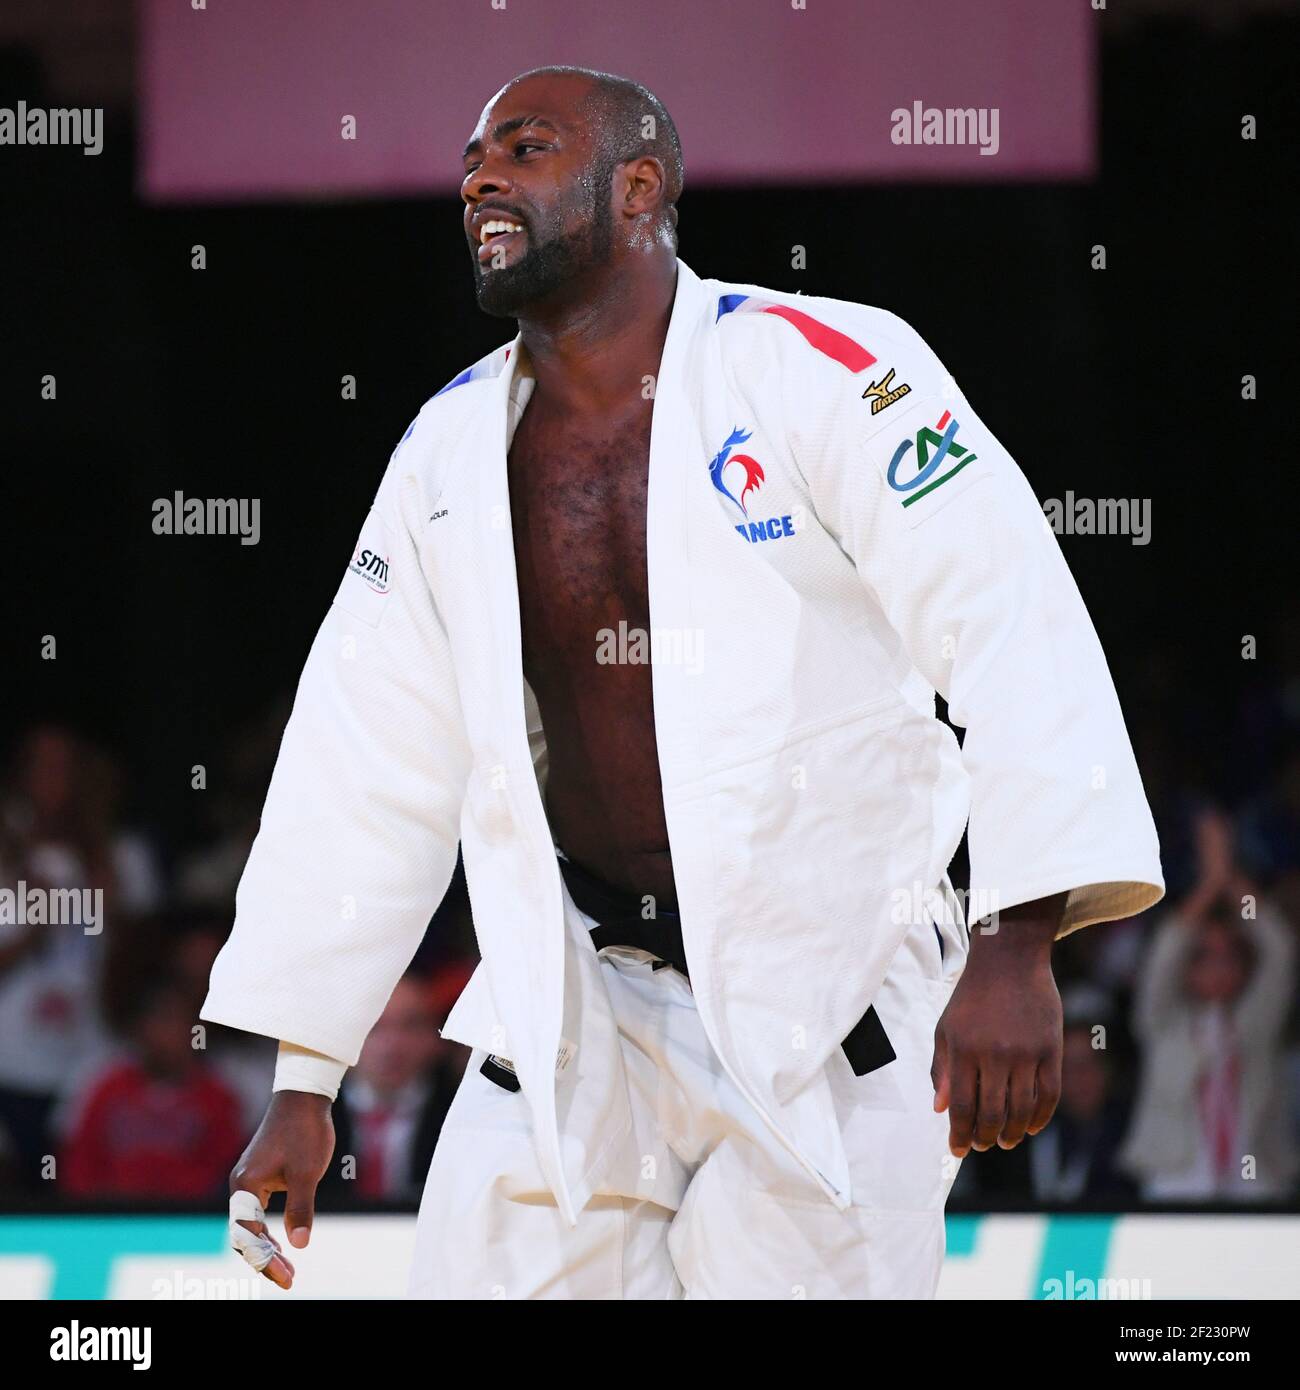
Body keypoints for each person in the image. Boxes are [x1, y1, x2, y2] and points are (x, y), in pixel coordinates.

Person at [202, 66, 1163, 1299]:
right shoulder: (444, 453)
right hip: (574, 999)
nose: (480, 179)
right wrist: (305, 1077)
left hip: (829, 997)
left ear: (637, 186)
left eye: (526, 149)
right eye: (470, 159)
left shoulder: (827, 366)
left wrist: (1017, 937)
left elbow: (1008, 618)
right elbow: (364, 761)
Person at [1120, 811, 1296, 1201]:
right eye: (1203, 956)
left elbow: (1278, 946)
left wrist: (1229, 876)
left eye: (1228, 956)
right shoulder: (1162, 1020)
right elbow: (1166, 950)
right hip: (1175, 1180)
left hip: (1256, 1179)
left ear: (1245, 966)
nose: (1217, 967)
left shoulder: (1257, 1019)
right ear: (1186, 968)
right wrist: (1210, 882)